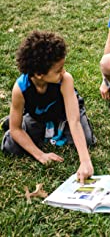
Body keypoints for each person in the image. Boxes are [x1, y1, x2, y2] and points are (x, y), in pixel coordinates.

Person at [1, 31, 97, 182]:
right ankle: (16, 118)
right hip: (39, 117)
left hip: (64, 114)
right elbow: (16, 130)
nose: (63, 72)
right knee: (12, 147)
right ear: (39, 74)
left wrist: (85, 161)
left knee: (86, 139)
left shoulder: (65, 80)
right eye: (58, 70)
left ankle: (49, 127)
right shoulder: (20, 89)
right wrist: (40, 155)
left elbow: (74, 120)